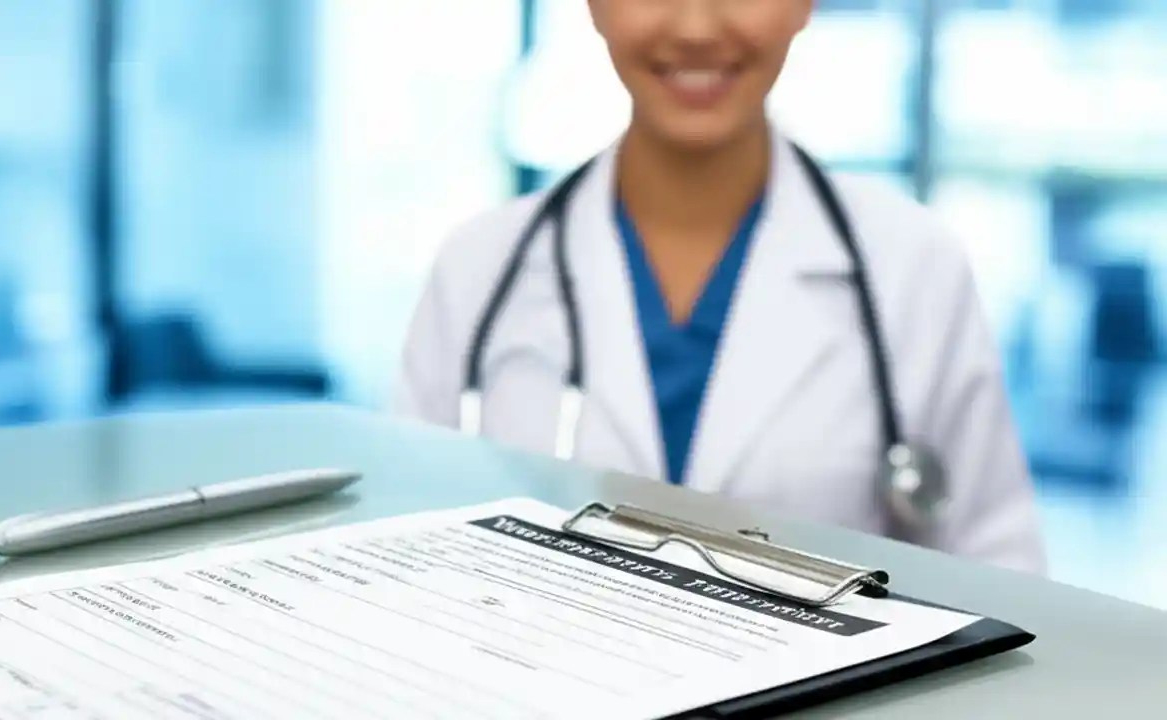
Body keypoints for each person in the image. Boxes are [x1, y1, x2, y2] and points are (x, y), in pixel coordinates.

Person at [393, 0, 1046, 573]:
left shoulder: (911, 266)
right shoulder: (479, 267)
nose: (698, 26)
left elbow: (1005, 582)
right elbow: (405, 555)